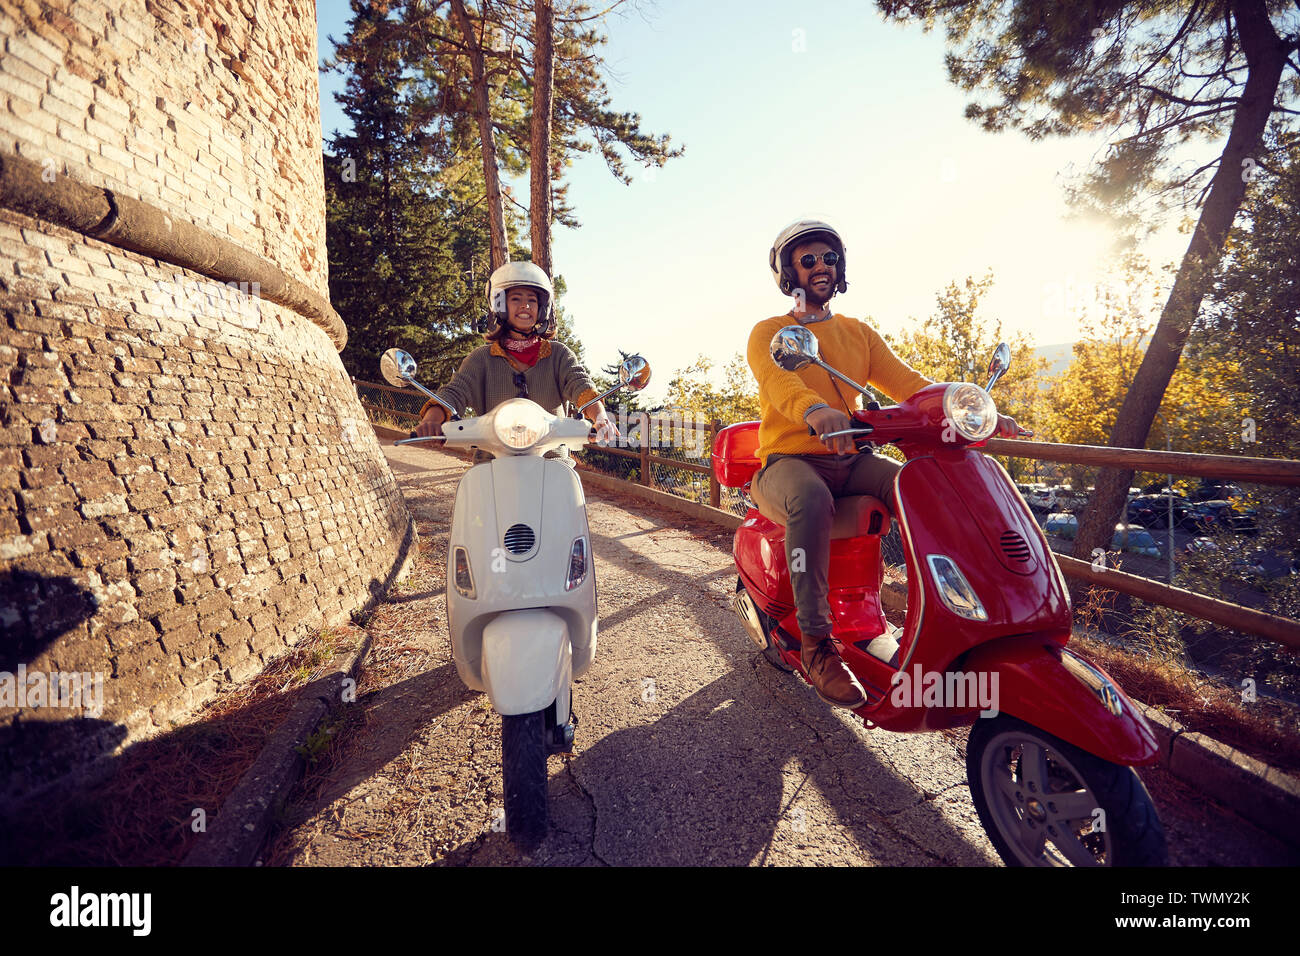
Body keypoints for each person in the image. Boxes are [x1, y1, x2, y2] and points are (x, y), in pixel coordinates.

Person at [747, 218, 1023, 709]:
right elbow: (781, 384)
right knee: (810, 499)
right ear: (788, 272)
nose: (821, 267)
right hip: (788, 461)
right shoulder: (771, 331)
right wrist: (816, 411)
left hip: (852, 458)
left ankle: (956, 617)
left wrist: (974, 410)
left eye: (829, 258)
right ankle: (816, 645)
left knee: (922, 488)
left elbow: (909, 384)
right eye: (808, 259)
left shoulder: (859, 333)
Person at [414, 261, 618, 446]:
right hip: (493, 463)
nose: (525, 305)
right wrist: (432, 419)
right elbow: (455, 391)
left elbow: (582, 387)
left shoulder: (558, 355)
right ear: (500, 305)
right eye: (516, 298)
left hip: (552, 463)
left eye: (532, 300)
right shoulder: (481, 359)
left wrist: (600, 417)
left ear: (541, 308)